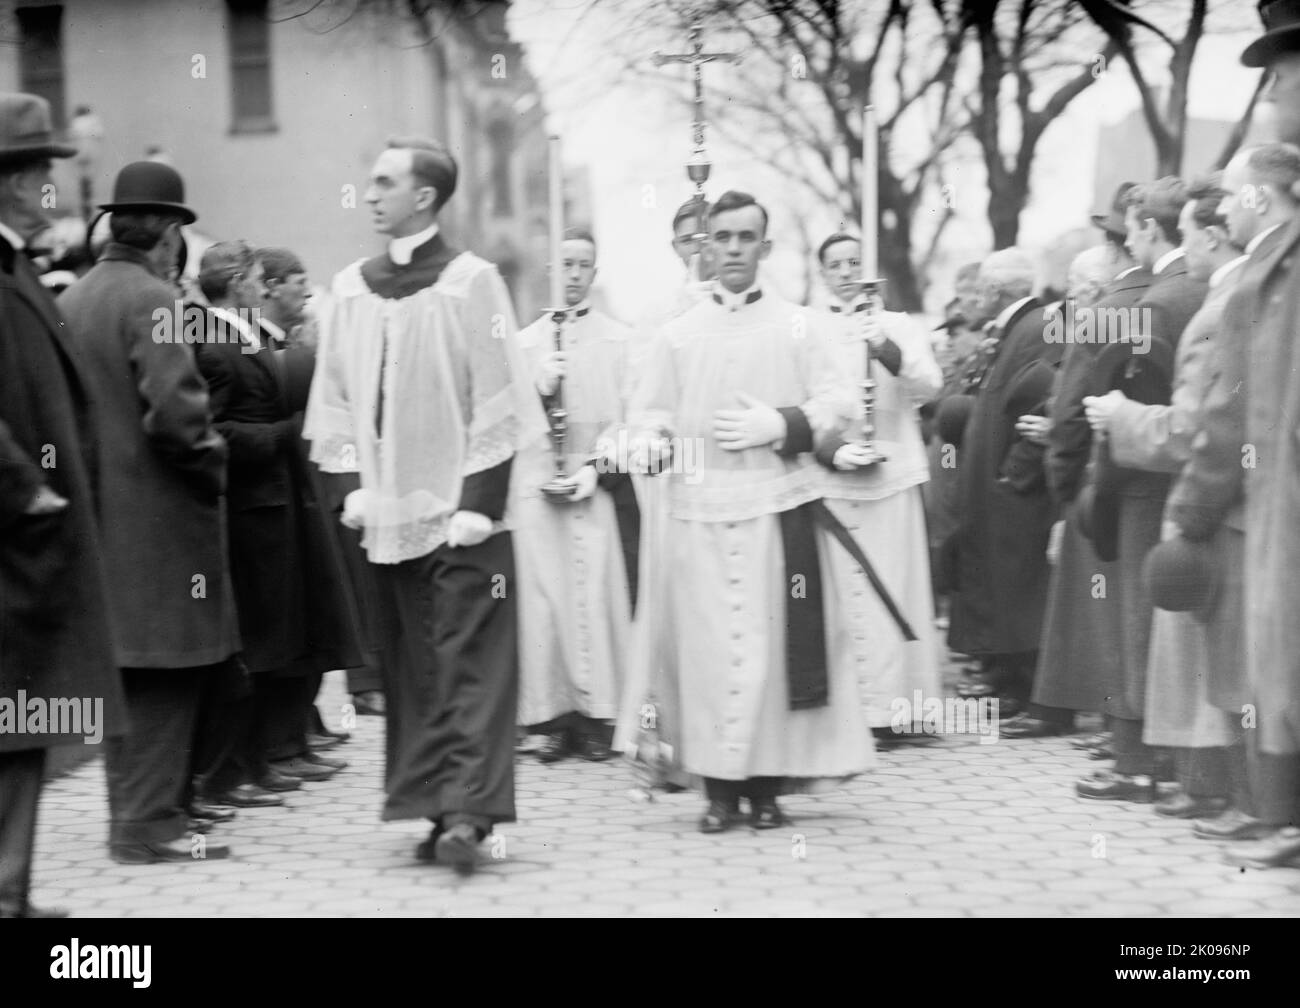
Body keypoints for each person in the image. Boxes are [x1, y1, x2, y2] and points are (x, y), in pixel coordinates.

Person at [305, 136, 539, 872]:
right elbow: (335, 397)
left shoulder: (472, 283)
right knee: (413, 668)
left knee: (471, 662)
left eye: (384, 182)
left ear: (426, 197)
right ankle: (435, 808)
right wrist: (350, 487)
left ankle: (471, 813)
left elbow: (499, 393)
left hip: (462, 514)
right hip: (389, 517)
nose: (369, 194)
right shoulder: (350, 289)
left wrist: (479, 500)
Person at [627, 190, 874, 833]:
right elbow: (648, 416)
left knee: (767, 651)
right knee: (708, 655)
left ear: (765, 247)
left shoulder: (800, 323)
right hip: (699, 515)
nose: (734, 249)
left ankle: (766, 790)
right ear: (704, 245)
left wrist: (782, 422)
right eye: (723, 237)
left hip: (776, 511)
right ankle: (717, 793)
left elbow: (842, 401)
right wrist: (650, 444)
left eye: (746, 238)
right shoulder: (676, 335)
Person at [58, 161, 240, 863]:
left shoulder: (71, 300)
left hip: (96, 519)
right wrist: (214, 464)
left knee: (127, 668)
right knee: (168, 666)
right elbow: (178, 418)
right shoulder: (155, 301)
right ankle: (150, 823)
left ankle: (129, 814)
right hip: (160, 519)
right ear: (168, 233)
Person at [1169, 39, 1300, 867]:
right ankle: (1273, 815)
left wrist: (1189, 508)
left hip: (1261, 507)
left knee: (1264, 666)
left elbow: (1230, 410)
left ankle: (1276, 815)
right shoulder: (1264, 274)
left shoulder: (1259, 279)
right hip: (1263, 500)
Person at [1087, 175, 1248, 819]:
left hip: (1185, 493)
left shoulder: (1172, 304)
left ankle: (1196, 780)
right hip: (1209, 489)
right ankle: (1198, 779)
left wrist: (1119, 419)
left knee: (1187, 649)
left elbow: (1196, 425)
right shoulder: (1209, 295)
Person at [0, 92, 124, 917]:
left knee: (25, 724)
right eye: (39, 169)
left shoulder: (18, 270)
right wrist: (27, 488)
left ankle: (11, 889)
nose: (50, 185)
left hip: (31, 542)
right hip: (14, 532)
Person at [1074, 177, 1208, 802]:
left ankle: (1137, 765)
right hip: (1193, 481)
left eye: (1131, 230)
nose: (1128, 243)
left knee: (1136, 627)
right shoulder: (1208, 287)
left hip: (1141, 484)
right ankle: (1170, 764)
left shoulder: (1154, 305)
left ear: (1152, 229)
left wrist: (1100, 486)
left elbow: (1128, 403)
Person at [811, 233, 942, 734]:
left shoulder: (897, 324)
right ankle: (848, 712)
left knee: (895, 587)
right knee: (843, 594)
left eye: (853, 263)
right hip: (835, 471)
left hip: (892, 471)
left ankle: (900, 712)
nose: (845, 272)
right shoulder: (808, 326)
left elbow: (929, 386)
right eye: (835, 264)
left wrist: (885, 348)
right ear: (822, 273)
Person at [514, 227, 635, 762]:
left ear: (595, 272)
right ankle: (551, 716)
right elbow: (503, 425)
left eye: (583, 264)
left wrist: (595, 468)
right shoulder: (523, 344)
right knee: (547, 601)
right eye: (564, 263)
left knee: (595, 596)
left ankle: (599, 717)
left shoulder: (620, 339)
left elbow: (633, 420)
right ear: (550, 270)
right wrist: (533, 389)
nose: (573, 273)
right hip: (538, 488)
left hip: (592, 486)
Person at [999, 243, 1128, 740]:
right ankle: (1084, 711)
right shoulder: (1129, 318)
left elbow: (1071, 410)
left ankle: (1057, 708)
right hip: (1119, 472)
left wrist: (1058, 465)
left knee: (1077, 602)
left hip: (1085, 480)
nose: (1068, 295)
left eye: (1075, 286)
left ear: (1092, 289)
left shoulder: (1092, 323)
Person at [938, 249, 1063, 714]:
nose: (973, 296)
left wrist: (1015, 474)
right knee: (1002, 583)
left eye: (979, 288)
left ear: (994, 291)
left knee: (1018, 586)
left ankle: (1021, 687)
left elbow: (1041, 403)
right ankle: (1005, 678)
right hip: (997, 485)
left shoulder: (1033, 328)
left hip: (1014, 489)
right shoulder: (1015, 328)